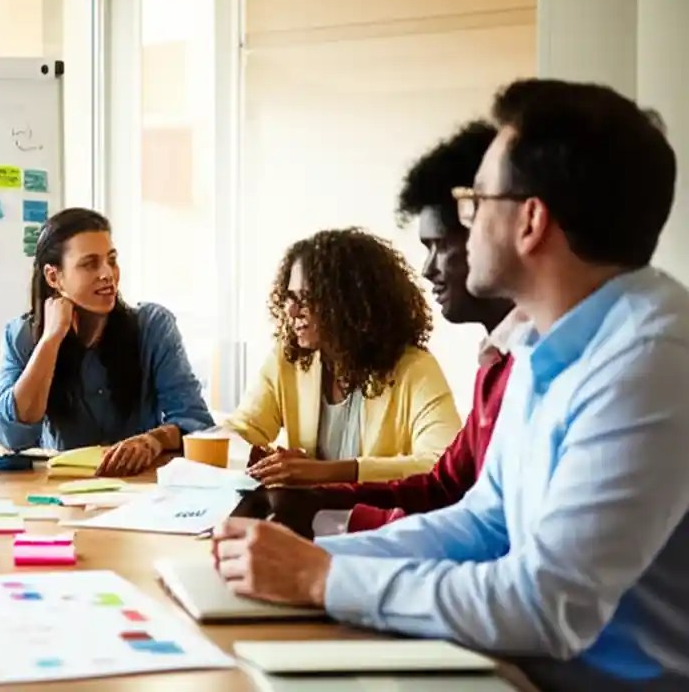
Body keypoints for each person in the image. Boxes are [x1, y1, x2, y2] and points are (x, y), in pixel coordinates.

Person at [213, 79, 689, 691]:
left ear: (530, 221)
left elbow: (548, 607)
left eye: (475, 202)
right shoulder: (539, 342)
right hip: (514, 665)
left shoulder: (647, 363)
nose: (462, 226)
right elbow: (481, 523)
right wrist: (315, 560)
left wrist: (320, 580)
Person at [258, 121, 528, 537]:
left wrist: (326, 513)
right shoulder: (495, 363)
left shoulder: (530, 367)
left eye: (441, 245)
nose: (428, 269)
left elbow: (486, 533)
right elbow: (444, 485)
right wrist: (315, 504)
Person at [0, 207, 213, 477]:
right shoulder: (21, 336)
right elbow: (11, 435)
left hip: (138, 487)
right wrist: (51, 339)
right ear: (53, 277)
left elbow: (197, 423)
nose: (107, 273)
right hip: (59, 491)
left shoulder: (152, 326)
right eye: (89, 264)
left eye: (111, 260)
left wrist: (153, 440)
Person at [226, 228, 460, 485]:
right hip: (304, 518)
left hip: (380, 521)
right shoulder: (287, 360)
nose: (291, 310)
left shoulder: (415, 369)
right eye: (290, 297)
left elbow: (444, 464)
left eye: (305, 299)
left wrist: (326, 472)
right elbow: (238, 432)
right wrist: (261, 458)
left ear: (351, 303)